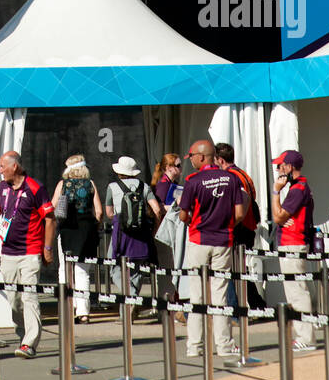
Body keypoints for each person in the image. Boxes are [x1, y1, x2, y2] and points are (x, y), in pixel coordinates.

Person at [0, 151, 55, 358]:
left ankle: (30, 343)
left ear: (14, 167)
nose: (0, 171)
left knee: (29, 297)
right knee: (14, 300)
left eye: (2, 166)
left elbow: (50, 219)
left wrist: (47, 248)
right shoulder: (2, 188)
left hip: (30, 252)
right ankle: (23, 334)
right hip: (7, 252)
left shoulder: (35, 188)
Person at [178, 140, 246, 359]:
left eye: (191, 157)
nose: (190, 161)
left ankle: (195, 346)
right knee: (221, 294)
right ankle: (224, 345)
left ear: (201, 157)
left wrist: (194, 223)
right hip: (223, 240)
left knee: (197, 294)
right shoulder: (232, 178)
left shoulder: (192, 181)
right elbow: (238, 213)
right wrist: (225, 226)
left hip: (198, 239)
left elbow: (182, 215)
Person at [271, 150, 317, 352]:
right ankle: (304, 334)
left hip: (293, 243)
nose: (278, 169)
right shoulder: (299, 187)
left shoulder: (298, 189)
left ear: (289, 167)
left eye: (281, 165)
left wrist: (275, 192)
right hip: (293, 242)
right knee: (296, 290)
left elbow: (279, 217)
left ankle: (306, 337)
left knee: (297, 291)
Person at [213, 143, 265, 311]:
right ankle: (257, 305)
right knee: (239, 269)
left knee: (234, 270)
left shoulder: (231, 177)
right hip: (248, 228)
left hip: (240, 229)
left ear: (220, 160)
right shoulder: (244, 174)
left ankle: (251, 305)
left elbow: (235, 204)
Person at [51, 154, 103, 322]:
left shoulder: (63, 185)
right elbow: (99, 211)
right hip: (86, 230)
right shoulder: (91, 184)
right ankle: (83, 312)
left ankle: (66, 307)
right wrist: (95, 223)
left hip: (67, 229)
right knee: (83, 272)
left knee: (63, 270)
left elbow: (54, 208)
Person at [105, 156, 161, 307]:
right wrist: (154, 231)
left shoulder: (112, 186)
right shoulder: (144, 186)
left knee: (115, 268)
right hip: (142, 234)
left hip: (121, 233)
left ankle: (130, 298)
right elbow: (157, 210)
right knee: (137, 270)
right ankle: (131, 304)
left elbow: (109, 213)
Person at [151, 155, 184, 303]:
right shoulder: (163, 185)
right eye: (177, 165)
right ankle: (166, 304)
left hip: (171, 230)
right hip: (164, 232)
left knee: (171, 267)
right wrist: (175, 207)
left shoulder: (173, 184)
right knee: (166, 269)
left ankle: (170, 301)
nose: (180, 168)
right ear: (168, 168)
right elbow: (158, 209)